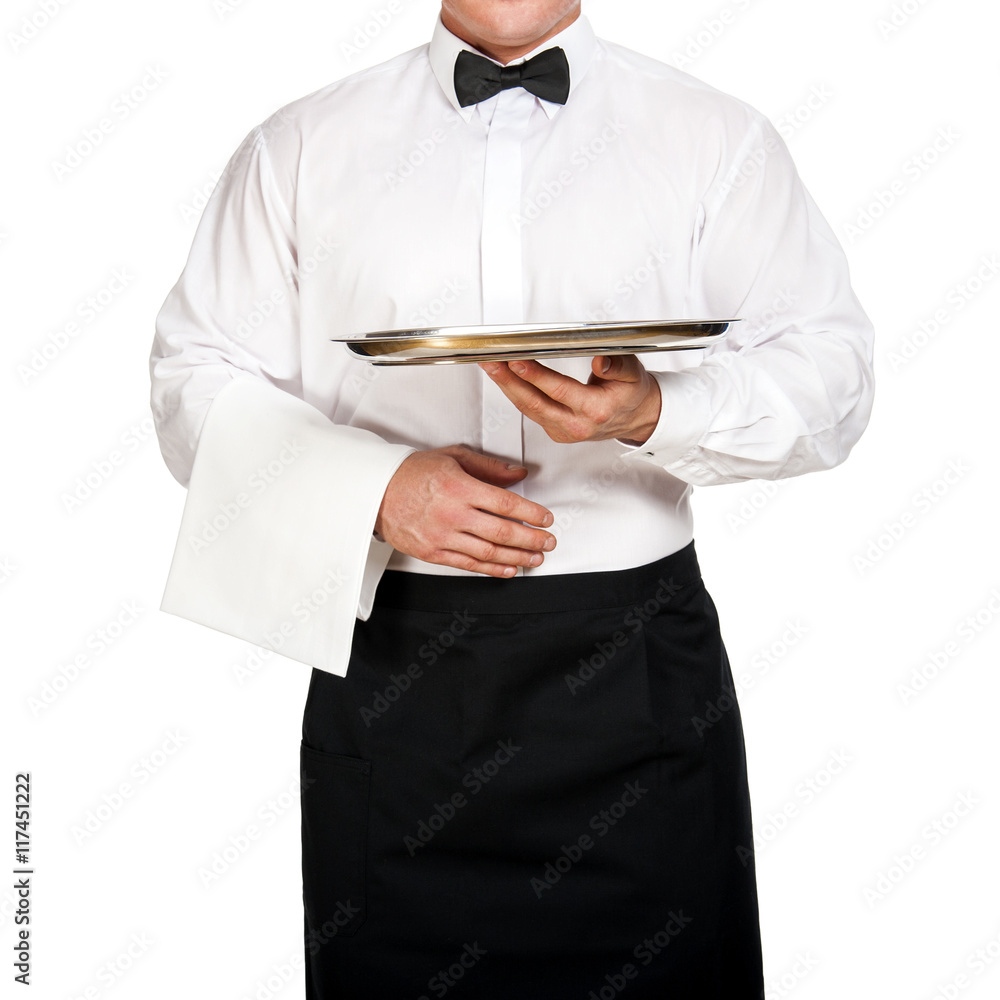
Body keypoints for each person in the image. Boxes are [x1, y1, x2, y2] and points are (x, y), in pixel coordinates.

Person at [149, 1, 875, 997]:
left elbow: (832, 380)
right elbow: (191, 378)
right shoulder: (298, 146)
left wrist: (657, 406)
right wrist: (373, 490)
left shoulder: (717, 137)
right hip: (397, 683)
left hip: (637, 677)